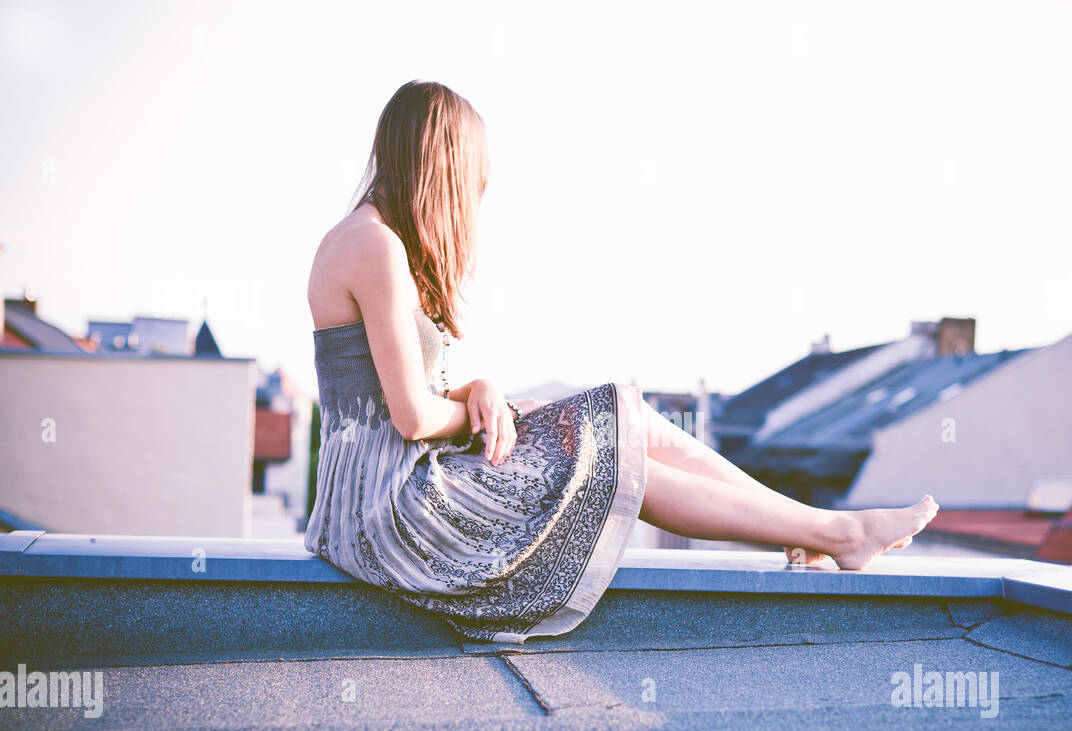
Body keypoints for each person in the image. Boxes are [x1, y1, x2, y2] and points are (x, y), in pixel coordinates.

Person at [304, 80, 939, 644]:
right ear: (439, 164)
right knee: (616, 469)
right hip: (388, 504)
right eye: (473, 182)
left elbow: (401, 393)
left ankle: (813, 528)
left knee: (623, 413)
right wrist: (482, 411)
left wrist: (477, 388)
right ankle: (837, 534)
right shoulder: (373, 245)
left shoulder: (369, 239)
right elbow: (412, 417)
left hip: (394, 484)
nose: (472, 201)